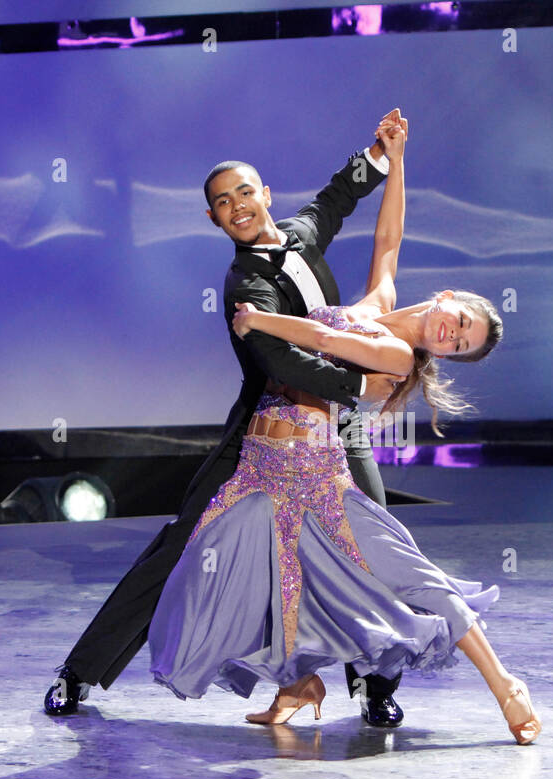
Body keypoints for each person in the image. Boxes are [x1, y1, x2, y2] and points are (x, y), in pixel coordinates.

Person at [147, 117, 540, 744]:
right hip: (263, 461)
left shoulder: (398, 356)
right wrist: (398, 158)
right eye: (459, 321)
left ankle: (505, 683)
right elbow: (389, 236)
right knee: (252, 571)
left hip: (317, 472)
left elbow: (328, 339)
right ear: (447, 298)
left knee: (409, 576)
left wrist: (264, 323)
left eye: (461, 346)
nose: (452, 336)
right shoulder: (379, 302)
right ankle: (300, 682)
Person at [45, 110, 411, 726]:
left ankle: (376, 687)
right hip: (262, 434)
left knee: (371, 544)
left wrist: (380, 153)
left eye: (244, 191)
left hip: (336, 429)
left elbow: (337, 196)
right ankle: (78, 673)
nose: (237, 205)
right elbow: (283, 361)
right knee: (182, 545)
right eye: (222, 202)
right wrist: (360, 382)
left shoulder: (300, 233)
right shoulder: (244, 284)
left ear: (264, 195)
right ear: (213, 218)